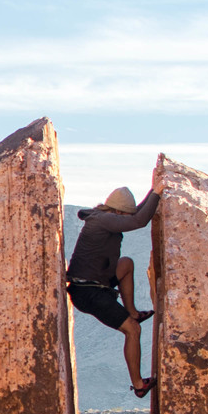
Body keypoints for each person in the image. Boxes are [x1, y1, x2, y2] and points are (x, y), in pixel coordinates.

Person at [67, 166, 162, 397]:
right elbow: (139, 220)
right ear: (118, 213)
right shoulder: (103, 221)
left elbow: (136, 213)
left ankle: (133, 311)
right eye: (125, 217)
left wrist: (154, 188)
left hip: (97, 283)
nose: (126, 221)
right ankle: (139, 385)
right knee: (132, 331)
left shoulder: (103, 217)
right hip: (89, 292)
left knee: (126, 263)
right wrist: (158, 193)